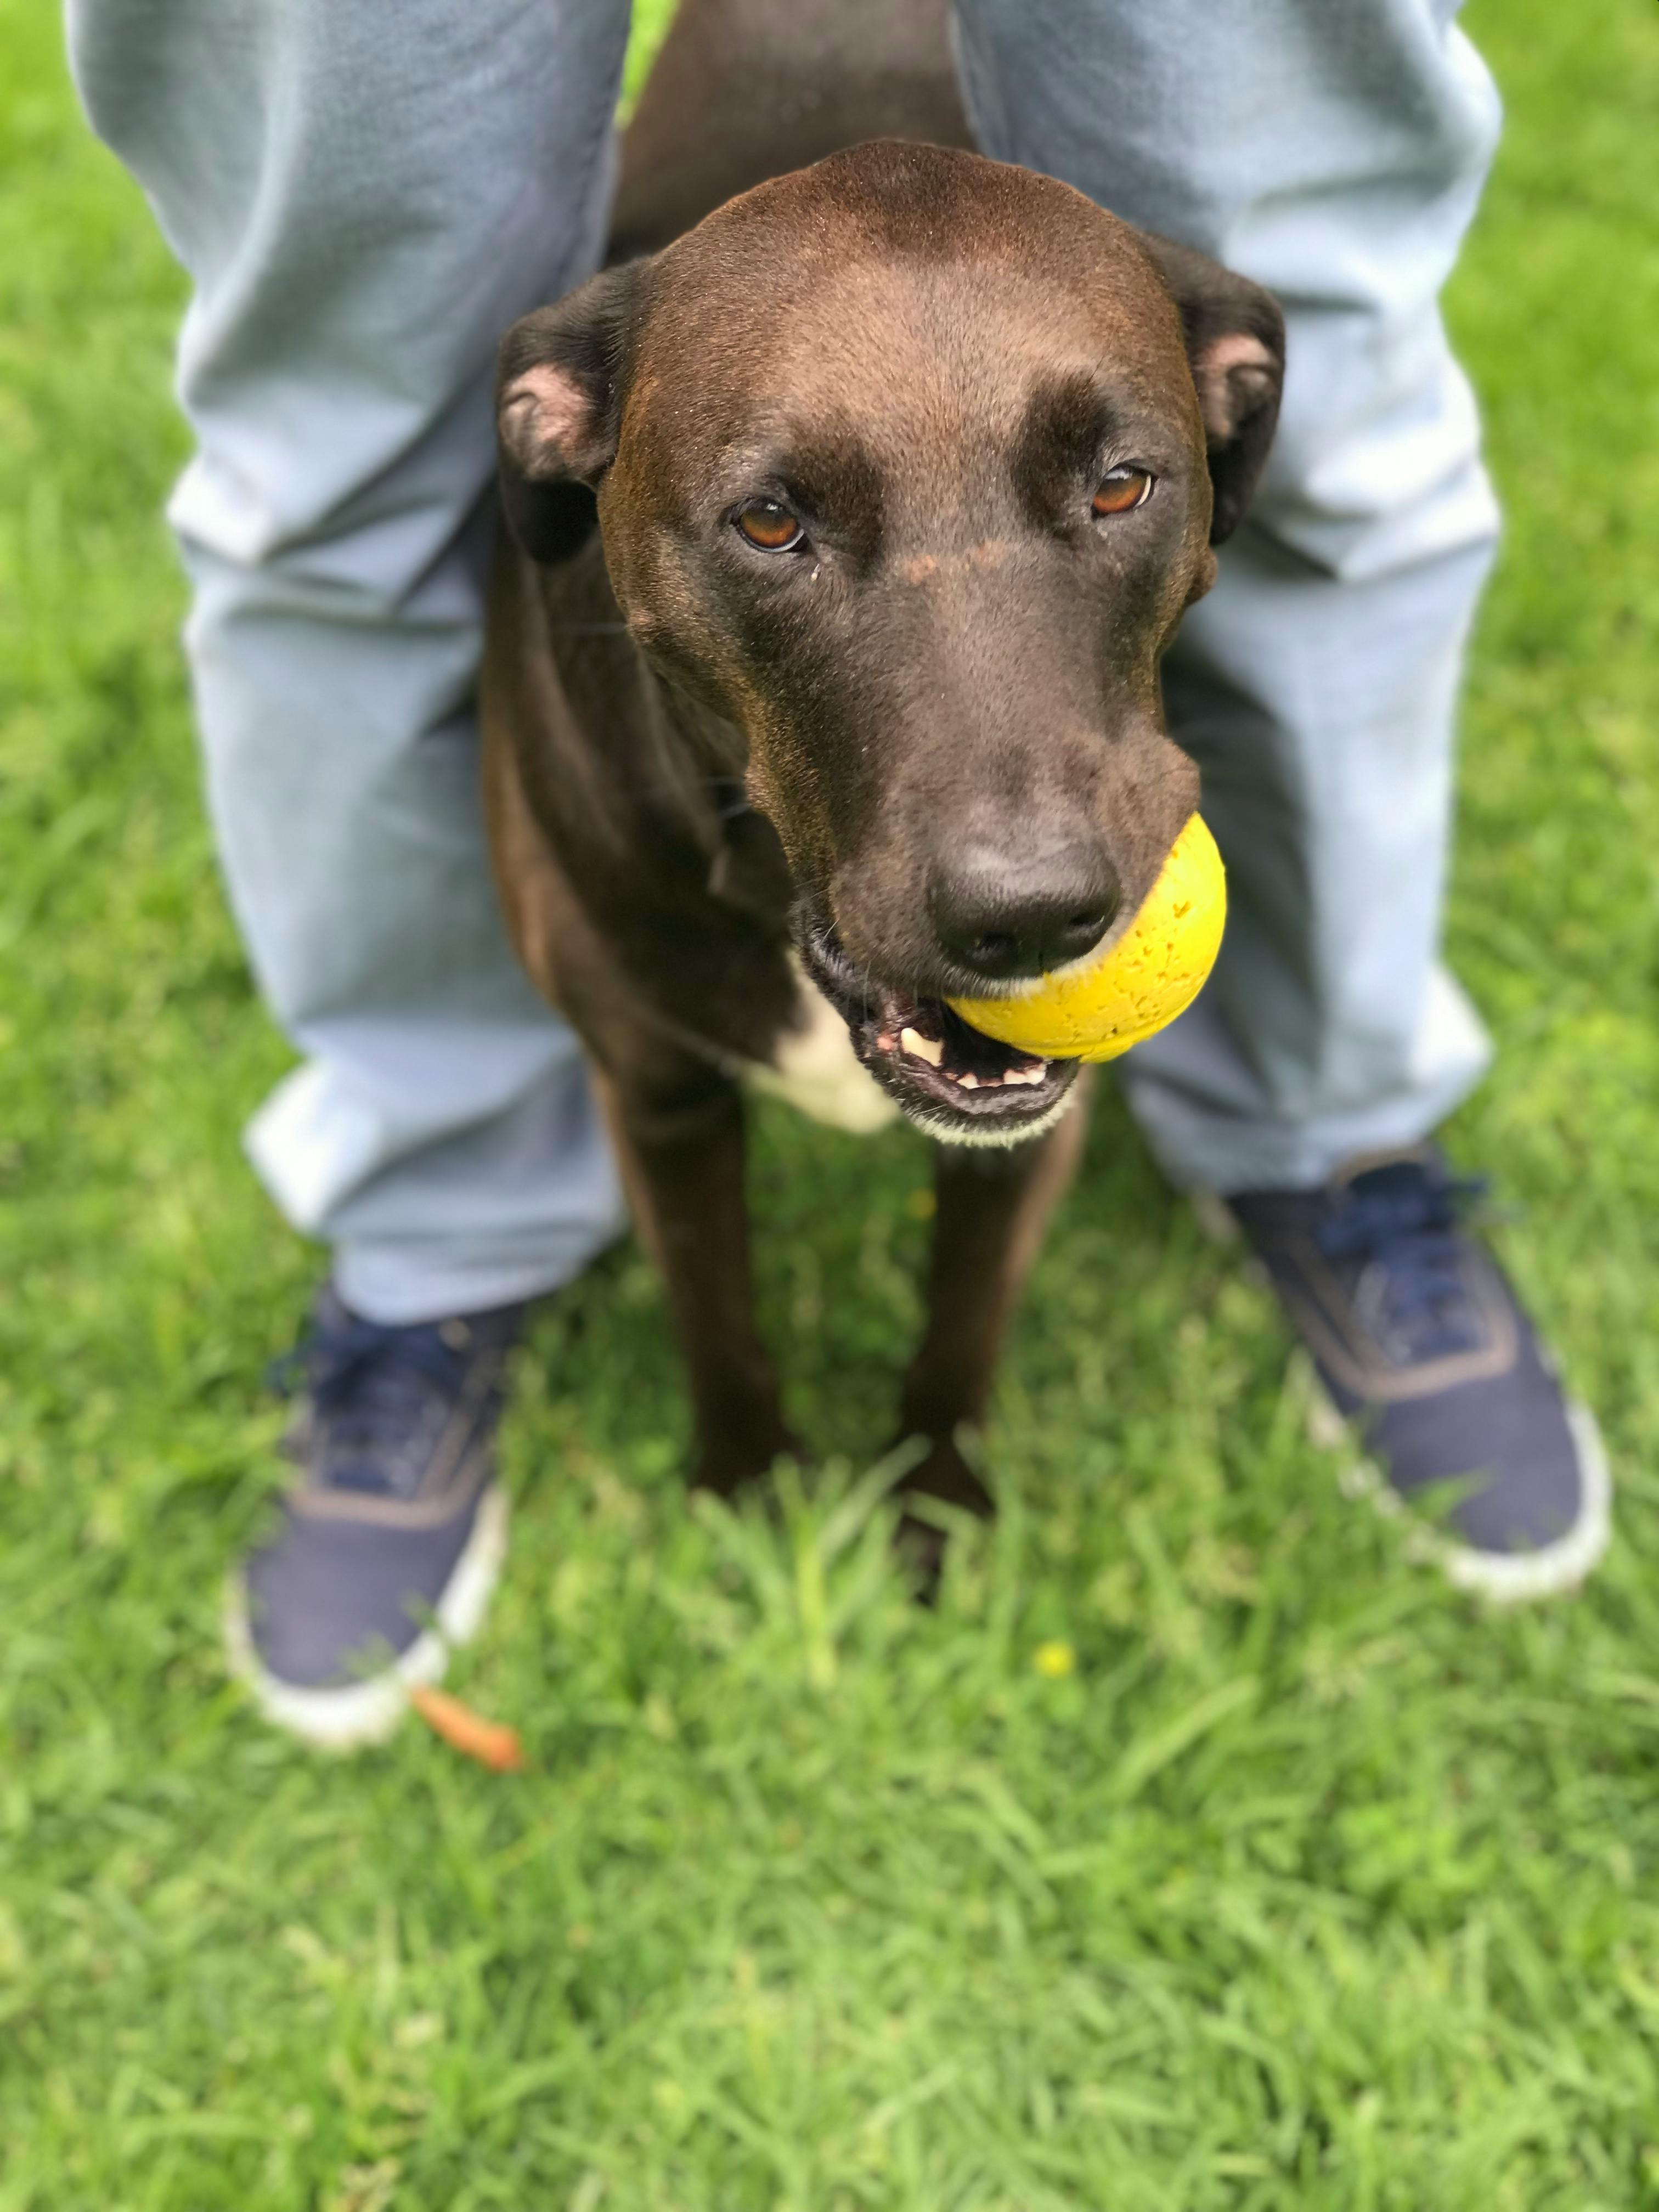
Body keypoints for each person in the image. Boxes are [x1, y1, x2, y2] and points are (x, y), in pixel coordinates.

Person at [67, 0, 1610, 1749]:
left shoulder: (1219, 369)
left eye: (1121, 485)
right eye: (779, 527)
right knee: (341, 434)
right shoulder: (596, 451)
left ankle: (1326, 1130)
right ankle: (443, 1220)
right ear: (560, 445)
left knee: (1309, 237)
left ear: (1220, 421)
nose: (1027, 867)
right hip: (630, 739)